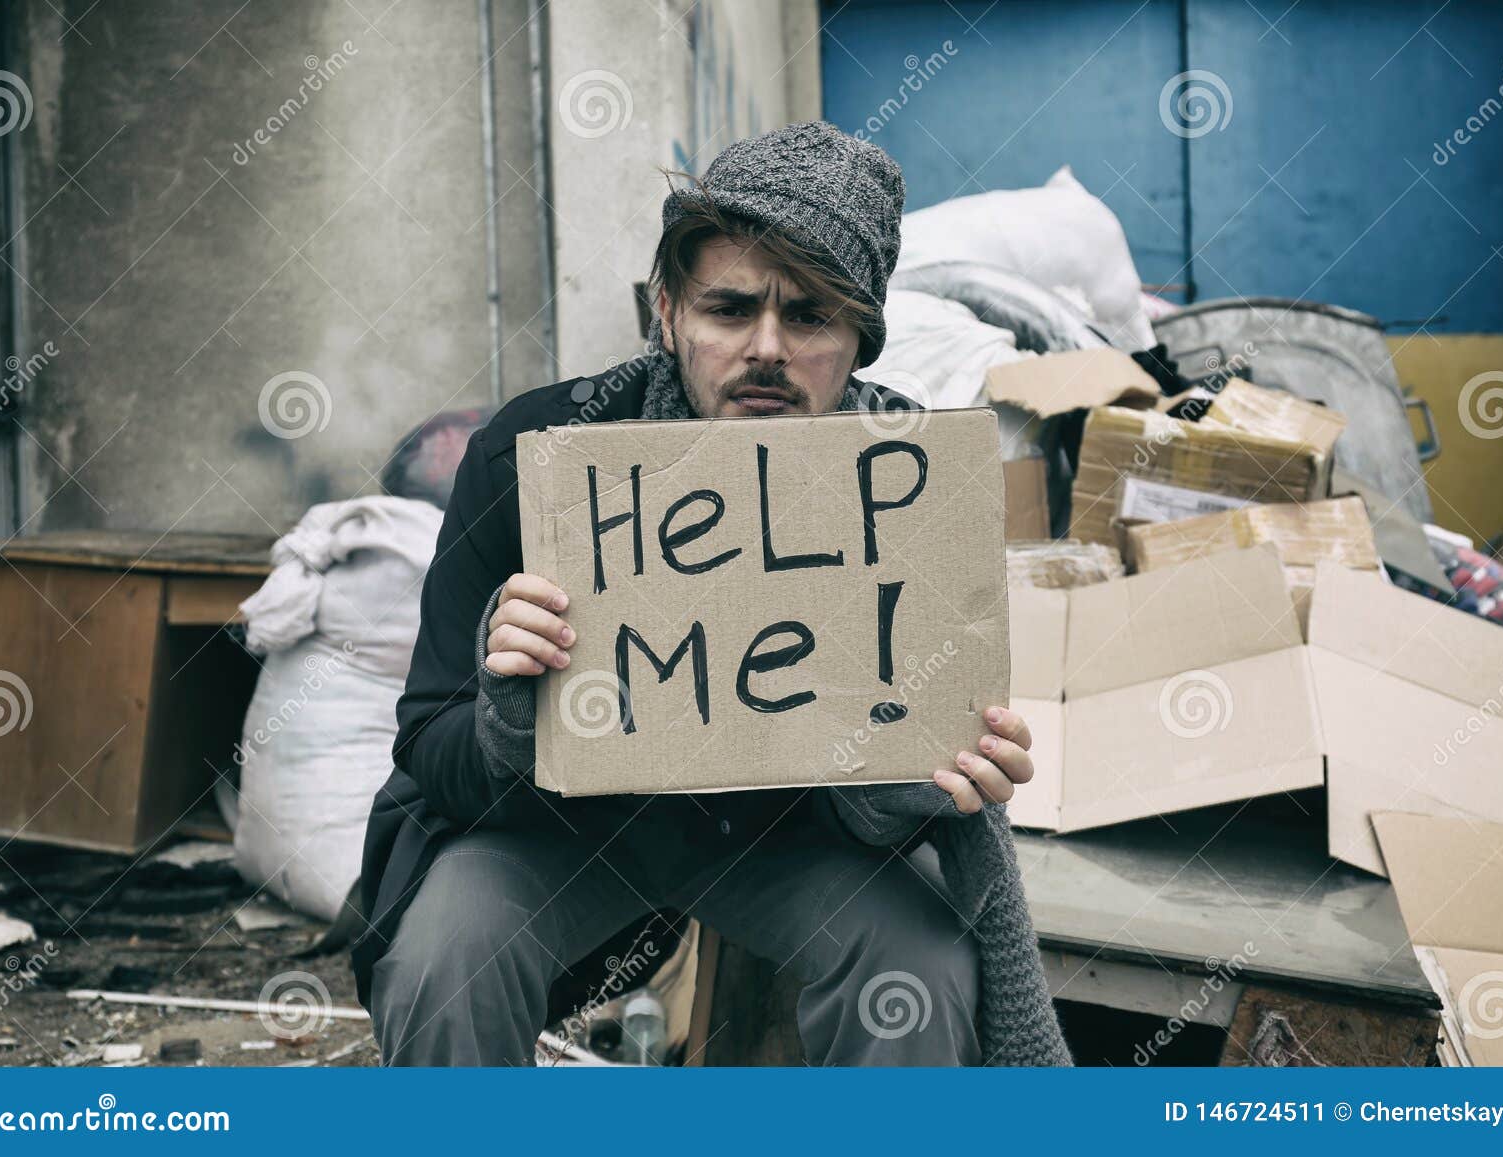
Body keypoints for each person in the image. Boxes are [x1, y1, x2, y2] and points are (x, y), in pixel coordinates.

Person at [354, 121, 1071, 1067]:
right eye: (729, 309)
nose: (766, 349)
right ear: (667, 314)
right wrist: (506, 710)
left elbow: (919, 737)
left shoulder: (908, 486)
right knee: (446, 955)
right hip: (563, 833)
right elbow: (426, 737)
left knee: (918, 970)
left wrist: (925, 776)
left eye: (810, 317)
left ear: (861, 339)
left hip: (786, 842)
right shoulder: (536, 457)